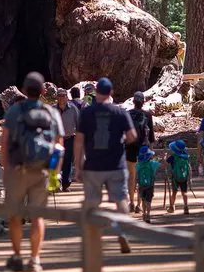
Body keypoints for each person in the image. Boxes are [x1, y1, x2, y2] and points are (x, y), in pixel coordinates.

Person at [1, 71, 64, 272]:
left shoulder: (14, 112)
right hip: (42, 171)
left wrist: (6, 168)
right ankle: (35, 259)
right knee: (38, 217)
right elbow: (59, 145)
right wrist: (55, 173)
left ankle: (17, 255)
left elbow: (4, 143)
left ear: (25, 90)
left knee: (15, 216)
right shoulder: (51, 113)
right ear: (44, 90)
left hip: (18, 169)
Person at [76, 77, 135, 253]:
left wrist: (78, 166)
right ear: (111, 93)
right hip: (116, 165)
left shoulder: (86, 113)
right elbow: (132, 136)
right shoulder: (120, 112)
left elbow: (79, 141)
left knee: (92, 202)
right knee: (120, 200)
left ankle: (92, 239)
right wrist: (123, 139)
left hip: (93, 165)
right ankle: (122, 232)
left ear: (96, 93)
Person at [126, 91, 155, 213]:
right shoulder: (147, 115)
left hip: (130, 148)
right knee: (142, 175)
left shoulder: (127, 114)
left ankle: (131, 202)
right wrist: (151, 150)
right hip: (144, 149)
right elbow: (151, 136)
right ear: (143, 102)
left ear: (133, 102)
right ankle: (139, 203)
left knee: (131, 176)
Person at [56, 89, 80, 191]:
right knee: (56, 161)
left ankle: (66, 184)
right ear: (57, 97)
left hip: (69, 139)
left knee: (67, 161)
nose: (61, 98)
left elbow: (78, 123)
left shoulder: (73, 109)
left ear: (67, 97)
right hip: (56, 140)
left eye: (63, 95)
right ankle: (57, 183)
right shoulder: (52, 109)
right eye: (59, 96)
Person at [166, 139, 192, 215]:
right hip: (184, 177)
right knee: (184, 192)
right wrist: (190, 177)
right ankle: (186, 206)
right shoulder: (186, 157)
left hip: (175, 177)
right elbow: (189, 167)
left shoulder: (172, 157)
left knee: (174, 192)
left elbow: (165, 164)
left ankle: (172, 207)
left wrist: (164, 158)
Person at [135, 146, 159, 223]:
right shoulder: (153, 164)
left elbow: (136, 177)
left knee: (143, 200)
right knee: (148, 201)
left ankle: (144, 213)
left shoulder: (138, 165)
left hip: (141, 185)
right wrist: (163, 158)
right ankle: (148, 214)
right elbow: (162, 165)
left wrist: (135, 186)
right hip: (150, 185)